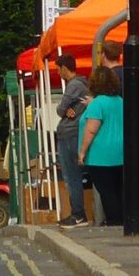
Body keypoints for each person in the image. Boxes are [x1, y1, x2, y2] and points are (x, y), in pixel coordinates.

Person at [79, 66, 125, 227]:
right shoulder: (120, 101)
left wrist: (82, 152)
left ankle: (114, 221)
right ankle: (121, 220)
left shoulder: (96, 104)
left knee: (106, 191)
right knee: (119, 190)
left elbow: (91, 129)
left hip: (100, 155)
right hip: (121, 152)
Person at [53, 54, 91, 229]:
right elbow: (64, 109)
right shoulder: (80, 85)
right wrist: (65, 109)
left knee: (71, 176)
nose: (58, 73)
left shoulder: (74, 85)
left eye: (58, 69)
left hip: (70, 134)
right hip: (73, 133)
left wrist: (64, 109)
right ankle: (77, 213)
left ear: (64, 68)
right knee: (73, 176)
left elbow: (61, 109)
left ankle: (78, 214)